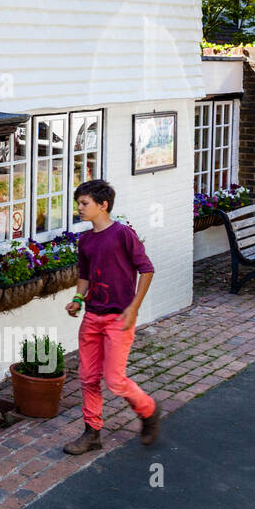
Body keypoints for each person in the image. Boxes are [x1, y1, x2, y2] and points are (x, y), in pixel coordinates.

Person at [63, 179, 162, 454]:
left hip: (119, 318)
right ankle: (91, 433)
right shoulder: (85, 240)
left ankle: (148, 410)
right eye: (78, 204)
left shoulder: (123, 234)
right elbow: (84, 276)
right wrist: (77, 299)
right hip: (92, 317)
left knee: (115, 380)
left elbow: (147, 269)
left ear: (103, 205)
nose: (79, 209)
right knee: (88, 377)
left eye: (84, 203)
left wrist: (134, 307)